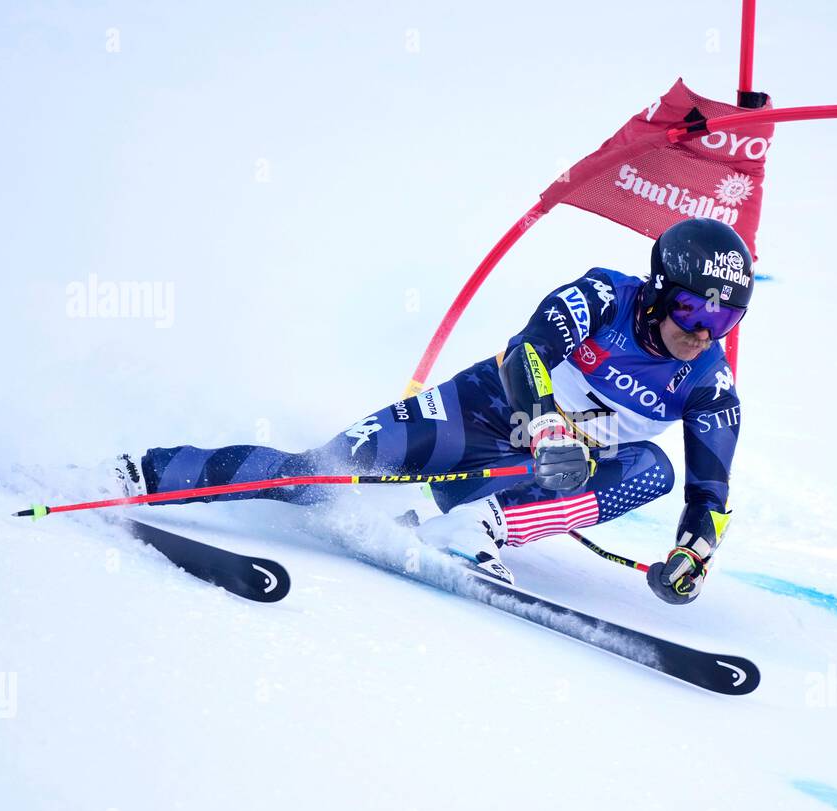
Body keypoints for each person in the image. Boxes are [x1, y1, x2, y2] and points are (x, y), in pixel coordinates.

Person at [109, 217, 750, 603]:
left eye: (725, 318)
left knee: (651, 467)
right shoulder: (604, 294)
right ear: (660, 292)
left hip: (521, 478)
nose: (703, 331)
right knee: (315, 477)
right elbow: (528, 349)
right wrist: (548, 420)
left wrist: (692, 557)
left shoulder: (709, 382)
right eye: (695, 309)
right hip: (474, 414)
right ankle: (141, 476)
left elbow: (710, 493)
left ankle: (474, 531)